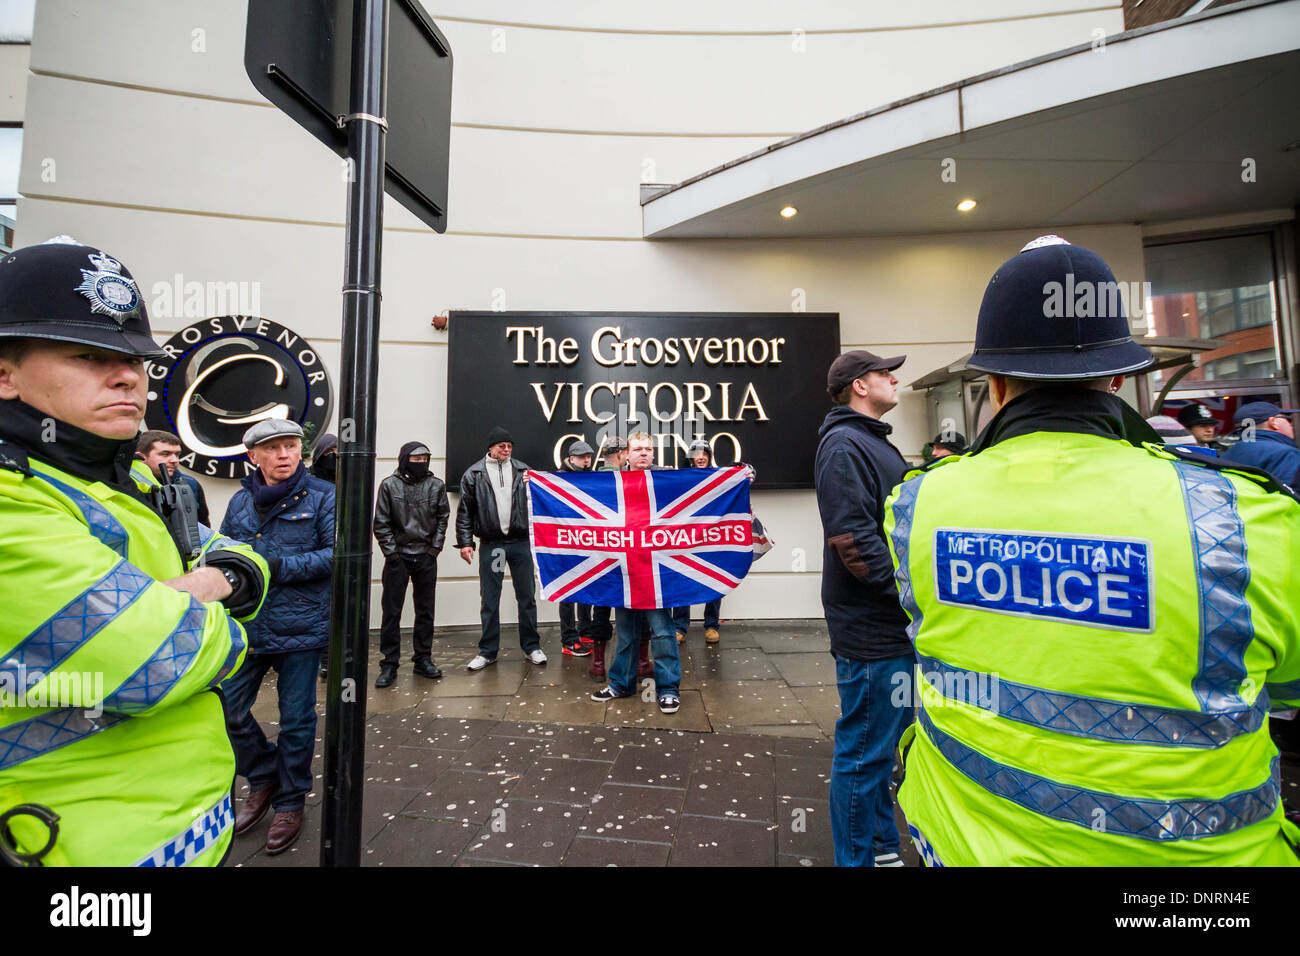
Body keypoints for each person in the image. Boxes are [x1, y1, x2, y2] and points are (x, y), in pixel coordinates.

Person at [884, 235, 1300, 866]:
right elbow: (1288, 691)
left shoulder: (916, 509)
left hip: (961, 844)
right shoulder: (1248, 520)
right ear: (1115, 378)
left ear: (994, 385)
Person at [0, 237, 268, 866]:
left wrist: (193, 590)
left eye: (134, 359)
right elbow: (158, 661)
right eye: (89, 356)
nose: (126, 375)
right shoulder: (13, 498)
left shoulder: (130, 481)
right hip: (72, 854)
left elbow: (244, 558)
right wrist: (208, 605)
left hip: (191, 834)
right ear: (4, 373)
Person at [814, 349, 915, 868]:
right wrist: (907, 597)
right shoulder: (844, 446)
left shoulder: (868, 441)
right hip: (874, 629)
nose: (894, 378)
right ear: (859, 385)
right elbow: (853, 541)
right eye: (883, 372)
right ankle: (857, 859)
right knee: (863, 754)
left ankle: (879, 847)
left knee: (880, 752)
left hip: (887, 626)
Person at [220, 418, 335, 855]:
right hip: (248, 627)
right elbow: (229, 552)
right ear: (254, 457)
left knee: (297, 721)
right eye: (273, 448)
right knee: (225, 710)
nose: (285, 455)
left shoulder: (324, 496)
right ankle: (265, 776)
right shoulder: (240, 501)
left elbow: (334, 555)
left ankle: (289, 802)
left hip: (302, 628)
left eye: (291, 446)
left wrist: (273, 566)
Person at [590, 432, 683, 714]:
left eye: (648, 449)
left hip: (656, 572)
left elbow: (704, 480)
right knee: (627, 632)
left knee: (663, 631)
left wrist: (743, 474)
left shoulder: (667, 479)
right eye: (638, 449)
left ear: (654, 454)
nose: (644, 453)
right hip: (625, 570)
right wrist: (535, 484)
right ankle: (621, 683)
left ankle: (668, 689)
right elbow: (572, 484)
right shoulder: (610, 482)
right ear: (626, 455)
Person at [456, 426, 546, 670]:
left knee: (526, 596)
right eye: (501, 446)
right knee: (490, 599)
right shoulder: (473, 474)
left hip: (520, 543)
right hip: (493, 544)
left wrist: (535, 484)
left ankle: (532, 646)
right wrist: (465, 542)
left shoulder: (523, 470)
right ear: (491, 448)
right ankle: (487, 651)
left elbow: (539, 502)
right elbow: (465, 511)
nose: (506, 449)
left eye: (509, 446)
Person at [373, 441, 448, 687]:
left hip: (426, 556)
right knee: (391, 612)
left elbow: (442, 518)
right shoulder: (389, 485)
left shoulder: (436, 485)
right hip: (398, 557)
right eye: (415, 459)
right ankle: (389, 663)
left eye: (425, 459)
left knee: (425, 611)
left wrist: (434, 549)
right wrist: (392, 554)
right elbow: (381, 522)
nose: (421, 463)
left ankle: (423, 659)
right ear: (404, 459)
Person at [673, 439, 722, 645]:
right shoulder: (681, 478)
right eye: (696, 453)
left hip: (711, 537)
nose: (700, 457)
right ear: (690, 458)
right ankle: (679, 627)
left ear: (709, 456)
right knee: (683, 580)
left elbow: (747, 470)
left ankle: (712, 625)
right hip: (687, 537)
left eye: (704, 453)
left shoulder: (720, 476)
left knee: (714, 579)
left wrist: (746, 472)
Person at [587, 436, 627, 679]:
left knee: (600, 607)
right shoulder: (629, 479)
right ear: (622, 454)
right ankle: (640, 660)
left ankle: (599, 663)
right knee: (635, 605)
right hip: (628, 550)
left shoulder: (590, 480)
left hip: (601, 551)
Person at [557, 440, 595, 657]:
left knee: (586, 585)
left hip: (585, 540)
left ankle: (584, 630)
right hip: (566, 541)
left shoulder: (587, 476)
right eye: (582, 457)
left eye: (588, 456)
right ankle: (569, 639)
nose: (586, 460)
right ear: (572, 459)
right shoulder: (560, 478)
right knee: (568, 591)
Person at [136, 428, 211, 525]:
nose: (174, 460)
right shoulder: (126, 483)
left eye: (177, 454)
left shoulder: (190, 484)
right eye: (165, 454)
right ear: (141, 457)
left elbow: (203, 526)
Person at [1221, 401, 1300, 488]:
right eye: (1288, 419)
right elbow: (1291, 497)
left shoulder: (1228, 454)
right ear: (1273, 422)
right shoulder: (1286, 454)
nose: (1290, 424)